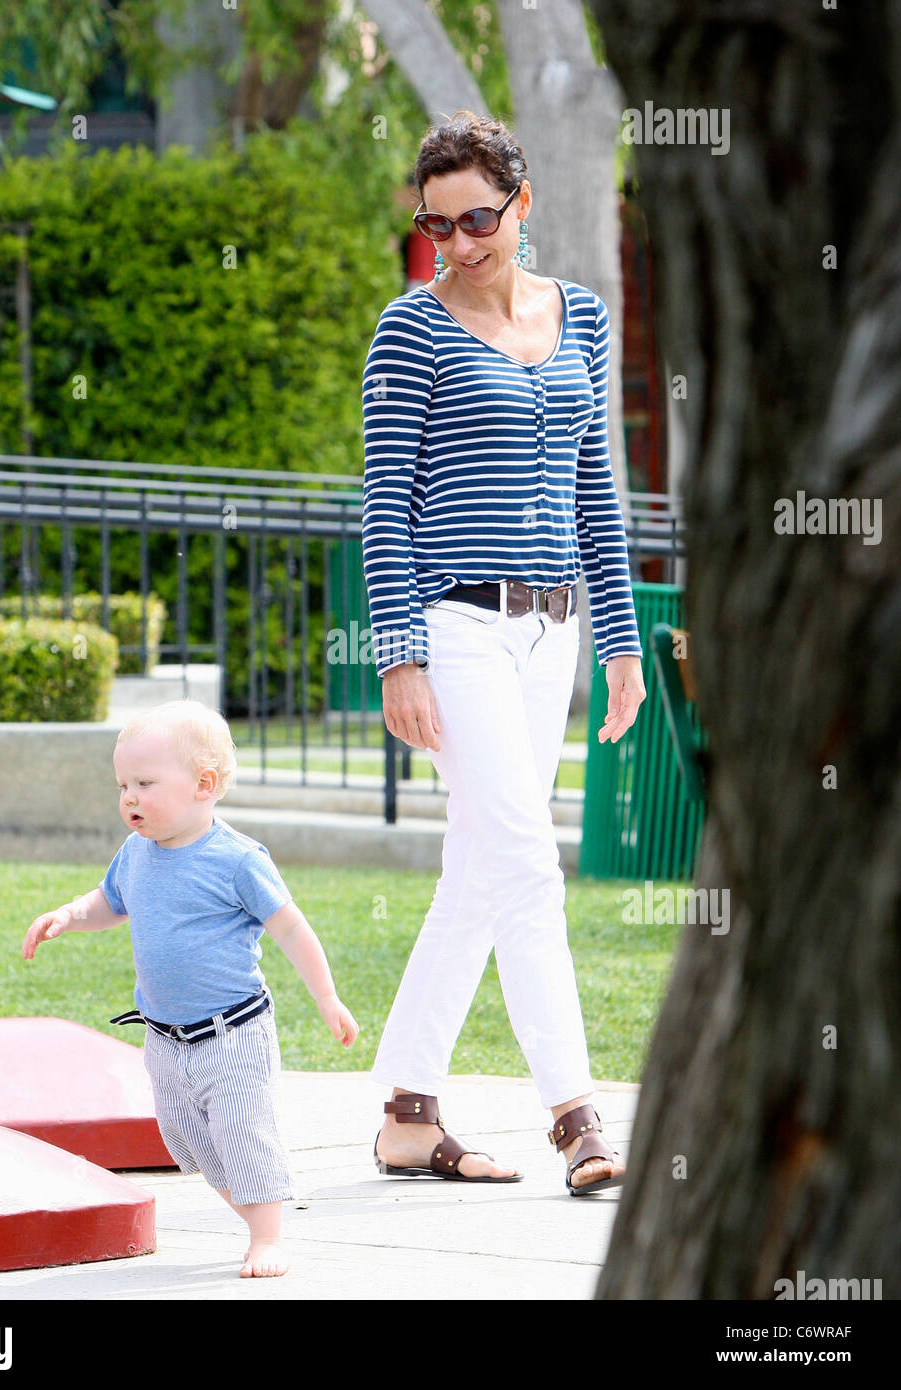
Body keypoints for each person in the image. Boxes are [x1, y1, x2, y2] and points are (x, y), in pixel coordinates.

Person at [362, 111, 646, 1196]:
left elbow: (593, 491)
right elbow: (385, 505)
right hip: (454, 629)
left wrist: (617, 646)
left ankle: (405, 1111)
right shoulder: (410, 329)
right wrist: (397, 657)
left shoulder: (578, 315)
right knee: (525, 861)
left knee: (479, 867)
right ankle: (575, 1117)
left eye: (476, 218)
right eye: (436, 224)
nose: (457, 241)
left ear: (520, 207)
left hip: (552, 631)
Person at [21, 699, 359, 1275]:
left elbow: (291, 927)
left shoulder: (236, 860)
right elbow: (111, 901)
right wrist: (71, 914)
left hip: (233, 1032)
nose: (129, 796)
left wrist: (327, 998)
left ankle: (267, 1235)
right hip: (165, 1037)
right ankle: (253, 1214)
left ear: (204, 784)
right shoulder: (136, 853)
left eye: (145, 782)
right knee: (185, 1140)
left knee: (242, 1130)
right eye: (123, 784)